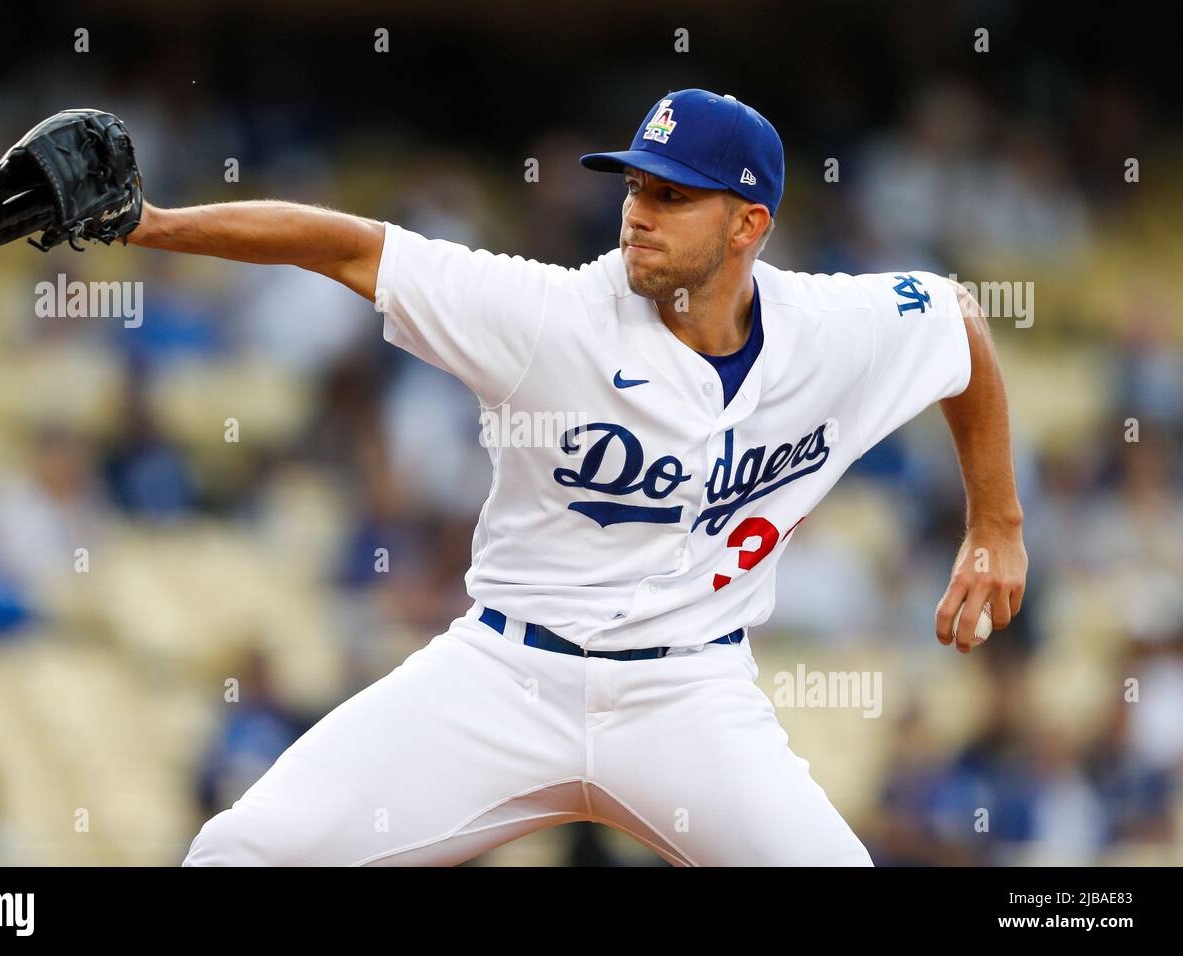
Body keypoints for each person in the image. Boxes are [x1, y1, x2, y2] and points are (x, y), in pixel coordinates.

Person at [127, 88, 1027, 866]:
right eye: (635, 185)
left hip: (690, 695)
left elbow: (958, 322)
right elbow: (347, 246)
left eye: (671, 195)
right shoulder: (548, 317)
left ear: (749, 223)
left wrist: (997, 523)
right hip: (507, 674)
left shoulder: (832, 330)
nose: (637, 212)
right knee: (246, 853)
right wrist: (148, 223)